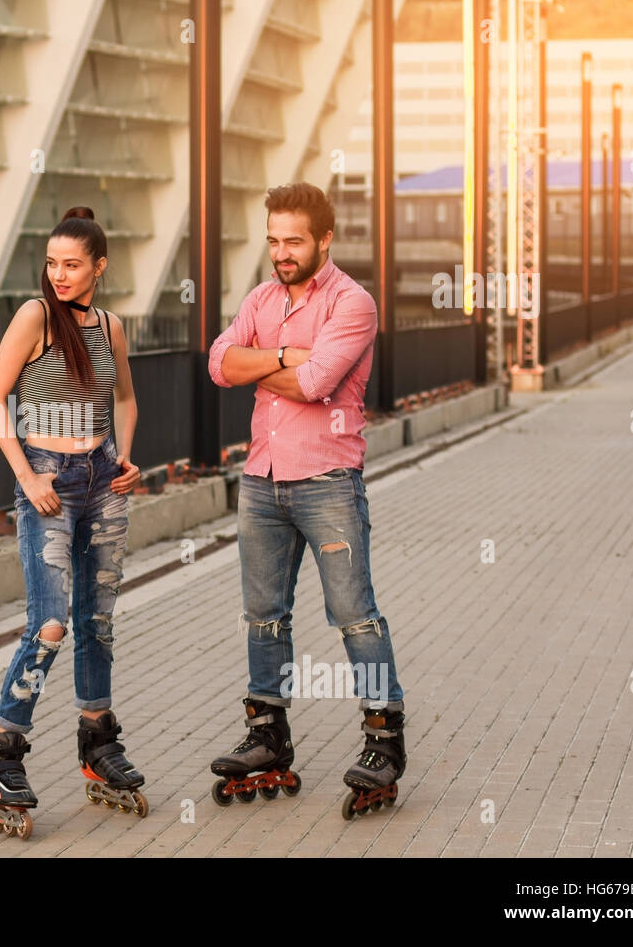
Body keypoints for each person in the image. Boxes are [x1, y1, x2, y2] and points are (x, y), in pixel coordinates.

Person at [206, 182, 408, 818]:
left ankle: (384, 739)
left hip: (327, 480)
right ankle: (267, 733)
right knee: (263, 614)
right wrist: (286, 355)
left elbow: (320, 381)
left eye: (294, 240)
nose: (281, 252)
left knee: (354, 613)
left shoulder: (354, 303)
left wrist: (259, 363)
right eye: (273, 239)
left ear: (325, 238)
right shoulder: (262, 298)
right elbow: (216, 362)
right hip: (261, 480)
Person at [0, 206, 146, 836]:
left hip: (101, 480)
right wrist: (27, 475)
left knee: (97, 620)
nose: (60, 274)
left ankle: (98, 742)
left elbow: (124, 397)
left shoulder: (109, 326)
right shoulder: (35, 316)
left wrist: (124, 456)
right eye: (52, 263)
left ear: (100, 266)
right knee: (49, 622)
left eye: (72, 264)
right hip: (46, 478)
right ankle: (2, 754)